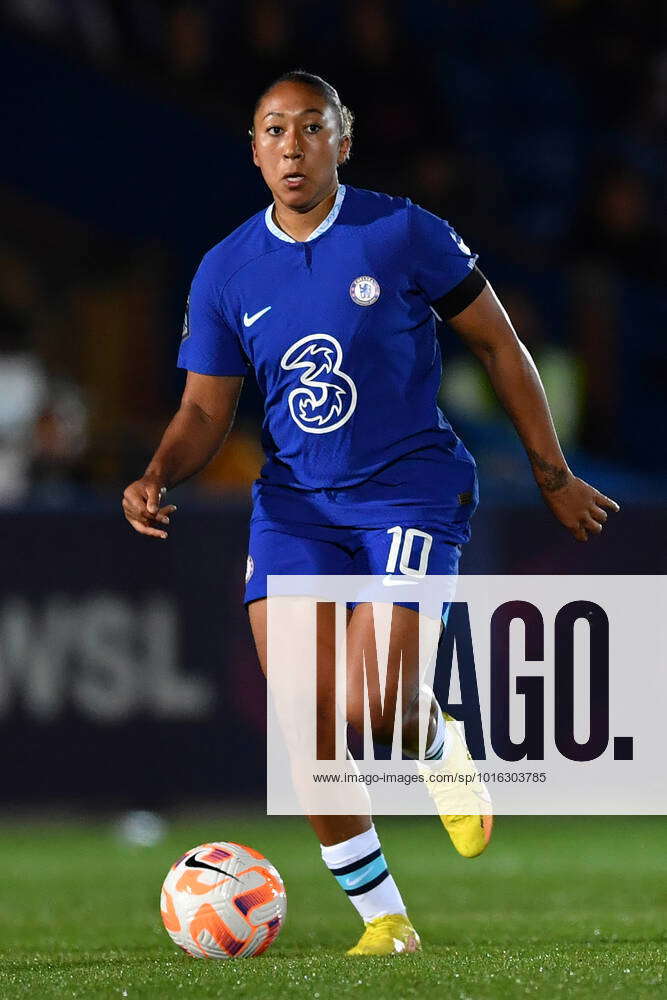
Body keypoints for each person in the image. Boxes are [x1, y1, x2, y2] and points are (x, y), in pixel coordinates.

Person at [122, 70, 620, 956]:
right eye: (272, 129)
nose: (290, 145)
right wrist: (158, 471)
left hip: (409, 493)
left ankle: (429, 730)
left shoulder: (400, 231)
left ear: (341, 143)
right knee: (308, 720)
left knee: (374, 703)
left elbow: (498, 345)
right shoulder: (226, 269)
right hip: (296, 510)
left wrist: (552, 474)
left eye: (310, 128)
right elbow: (205, 411)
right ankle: (385, 922)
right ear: (252, 149)